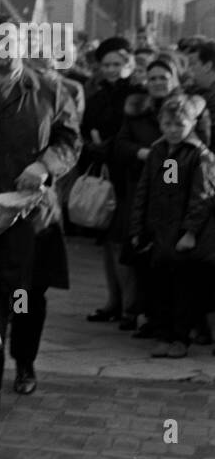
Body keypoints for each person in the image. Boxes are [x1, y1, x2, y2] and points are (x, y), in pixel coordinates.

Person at [0, 19, 81, 413]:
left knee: (27, 295)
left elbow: (69, 140)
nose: (1, 48)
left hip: (33, 214)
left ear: (24, 44)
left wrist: (44, 167)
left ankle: (24, 362)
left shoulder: (50, 88)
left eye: (10, 40)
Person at [112, 54, 209, 340]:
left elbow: (200, 148)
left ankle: (183, 327)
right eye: (152, 78)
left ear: (174, 79)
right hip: (147, 191)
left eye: (162, 78)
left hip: (181, 197)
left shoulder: (192, 110)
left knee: (180, 269)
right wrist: (142, 153)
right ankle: (152, 318)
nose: (156, 83)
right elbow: (120, 144)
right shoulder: (137, 108)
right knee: (148, 261)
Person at [129, 94, 215, 357]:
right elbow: (146, 189)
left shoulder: (198, 155)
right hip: (159, 230)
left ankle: (180, 337)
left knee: (183, 289)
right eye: (167, 124)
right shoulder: (159, 151)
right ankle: (163, 333)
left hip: (182, 233)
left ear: (192, 124)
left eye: (179, 125)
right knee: (160, 286)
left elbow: (201, 197)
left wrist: (189, 232)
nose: (173, 130)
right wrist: (137, 228)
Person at [81, 37, 137, 323]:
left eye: (118, 64)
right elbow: (86, 126)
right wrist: (93, 146)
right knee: (108, 240)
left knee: (121, 241)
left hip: (130, 175)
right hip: (107, 173)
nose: (112, 70)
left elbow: (136, 132)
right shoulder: (98, 95)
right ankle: (114, 301)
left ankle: (128, 305)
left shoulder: (138, 95)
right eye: (107, 65)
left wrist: (109, 145)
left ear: (129, 64)